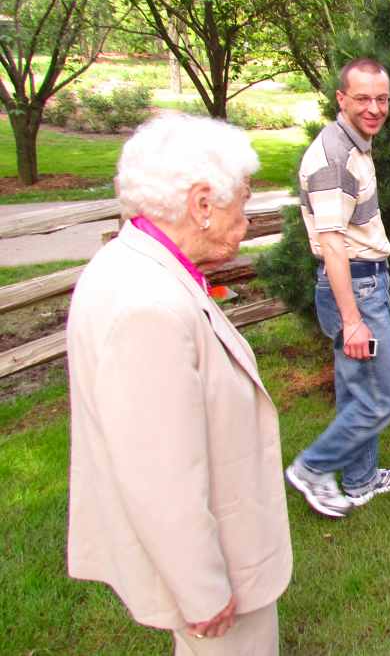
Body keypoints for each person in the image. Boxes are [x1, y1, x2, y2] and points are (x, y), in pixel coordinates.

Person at [66, 113, 293, 655]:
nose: (246, 217)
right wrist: (201, 590)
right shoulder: (148, 306)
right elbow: (158, 474)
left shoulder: (137, 266)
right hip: (214, 570)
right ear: (202, 204)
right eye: (242, 199)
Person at [285, 58, 390, 518]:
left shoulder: (354, 145)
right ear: (341, 99)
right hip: (355, 286)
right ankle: (312, 468)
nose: (374, 108)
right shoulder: (334, 159)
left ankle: (360, 479)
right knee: (383, 398)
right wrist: (353, 320)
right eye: (362, 99)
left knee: (359, 393)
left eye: (382, 99)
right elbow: (333, 246)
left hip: (365, 279)